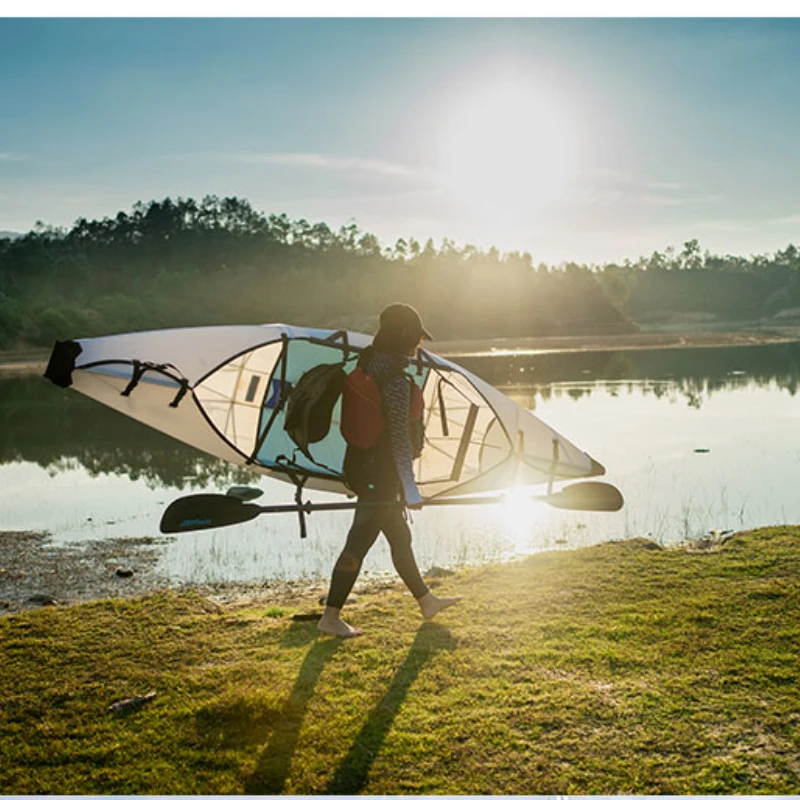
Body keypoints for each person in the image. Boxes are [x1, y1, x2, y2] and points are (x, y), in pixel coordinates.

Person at [317, 303, 462, 637]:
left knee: (399, 536)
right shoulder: (394, 382)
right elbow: (399, 440)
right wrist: (410, 490)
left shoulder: (368, 366)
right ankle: (330, 617)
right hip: (380, 477)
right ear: (403, 337)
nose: (418, 347)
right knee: (359, 541)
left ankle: (427, 601)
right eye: (416, 339)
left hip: (362, 469)